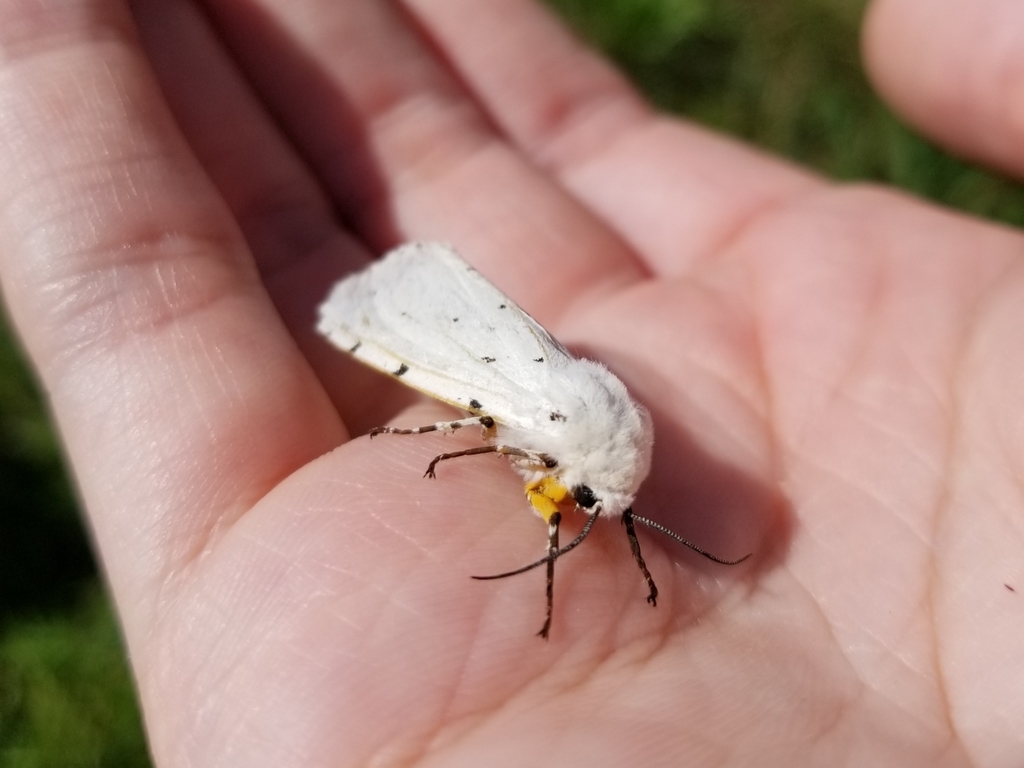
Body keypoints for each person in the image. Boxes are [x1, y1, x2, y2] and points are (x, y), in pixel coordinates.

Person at [0, 0, 1020, 764]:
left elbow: (577, 474)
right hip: (499, 372)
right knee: (463, 396)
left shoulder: (604, 468)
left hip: (524, 369)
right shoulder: (570, 452)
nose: (580, 516)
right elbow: (548, 460)